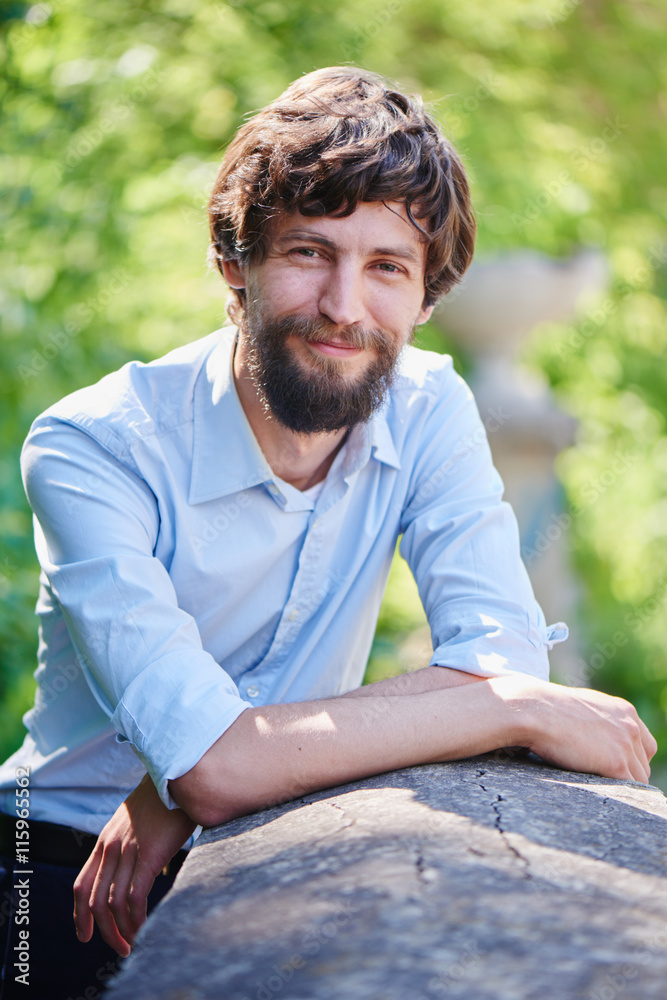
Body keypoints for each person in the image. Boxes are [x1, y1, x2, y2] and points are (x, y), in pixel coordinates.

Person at [0, 66, 656, 997]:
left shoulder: (431, 406)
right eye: (309, 252)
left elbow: (497, 653)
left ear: (426, 297)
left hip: (285, 825)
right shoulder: (94, 447)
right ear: (235, 266)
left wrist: (189, 777)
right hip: (58, 861)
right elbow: (496, 689)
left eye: (386, 266)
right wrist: (508, 707)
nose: (345, 306)